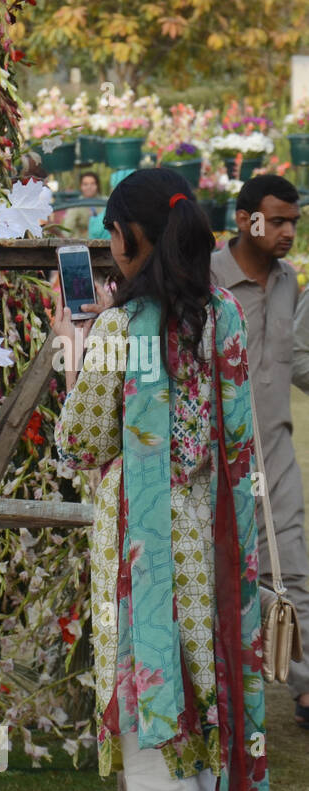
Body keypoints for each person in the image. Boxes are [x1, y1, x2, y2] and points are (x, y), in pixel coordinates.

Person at [53, 168, 274, 791]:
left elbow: (77, 446)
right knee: (201, 732)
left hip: (143, 573)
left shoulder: (121, 331)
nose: (108, 248)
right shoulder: (224, 321)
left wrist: (77, 340)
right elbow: (240, 441)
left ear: (135, 239)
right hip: (215, 565)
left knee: (156, 738)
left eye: (112, 233)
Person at [211, 174, 309, 726]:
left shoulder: (289, 281)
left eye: (293, 221)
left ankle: (305, 689)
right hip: (215, 457)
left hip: (276, 453)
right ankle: (212, 689)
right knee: (216, 573)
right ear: (246, 218)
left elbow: (290, 363)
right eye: (276, 220)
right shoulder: (205, 278)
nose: (287, 231)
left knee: (292, 572)